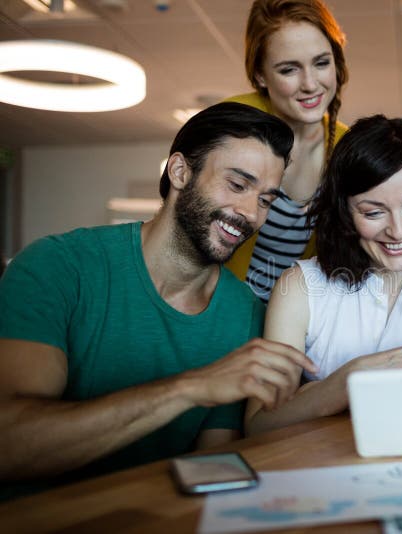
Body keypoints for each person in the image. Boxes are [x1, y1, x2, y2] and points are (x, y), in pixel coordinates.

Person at [0, 102, 317, 497]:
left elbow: (213, 472)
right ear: (180, 171)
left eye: (267, 200)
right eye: (237, 185)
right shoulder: (56, 267)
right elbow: (9, 444)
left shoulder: (248, 316)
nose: (250, 213)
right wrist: (190, 388)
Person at [246, 115, 402, 434]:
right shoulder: (300, 286)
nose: (398, 231)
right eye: (373, 212)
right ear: (343, 211)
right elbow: (259, 423)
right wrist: (348, 379)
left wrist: (315, 396)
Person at [225, 0, 349, 304]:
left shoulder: (347, 146)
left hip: (295, 324)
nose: (310, 84)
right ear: (259, 76)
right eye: (289, 69)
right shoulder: (230, 125)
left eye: (321, 63)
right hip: (221, 318)